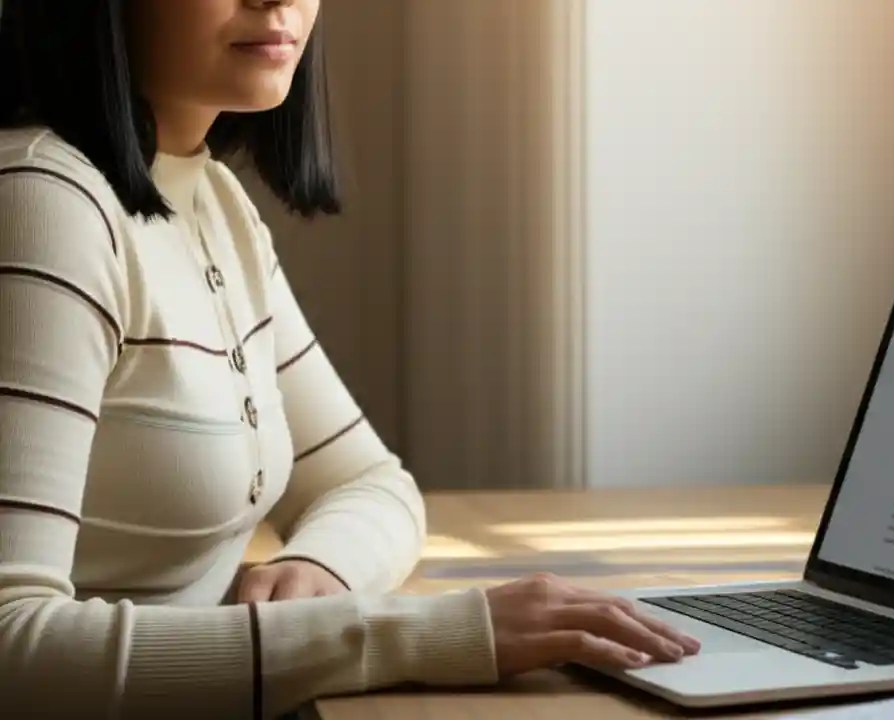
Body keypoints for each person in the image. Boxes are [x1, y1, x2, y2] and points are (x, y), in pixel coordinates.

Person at [0, 1, 700, 717]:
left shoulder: (214, 204)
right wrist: (430, 634)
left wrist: (318, 571)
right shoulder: (42, 208)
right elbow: (10, 647)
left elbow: (372, 484)